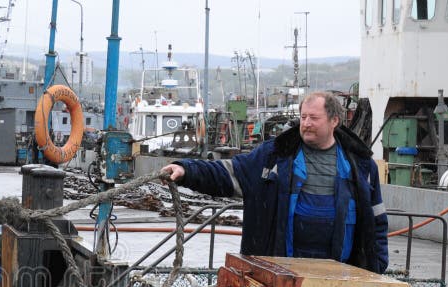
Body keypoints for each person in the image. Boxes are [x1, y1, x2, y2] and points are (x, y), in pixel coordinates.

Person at [161, 91, 388, 273]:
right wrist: (186, 170)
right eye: (303, 117)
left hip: (340, 276)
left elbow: (376, 219)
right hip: (279, 274)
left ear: (334, 121)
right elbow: (228, 173)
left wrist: (377, 264)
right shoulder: (274, 157)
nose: (306, 123)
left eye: (314, 118)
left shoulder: (360, 166)